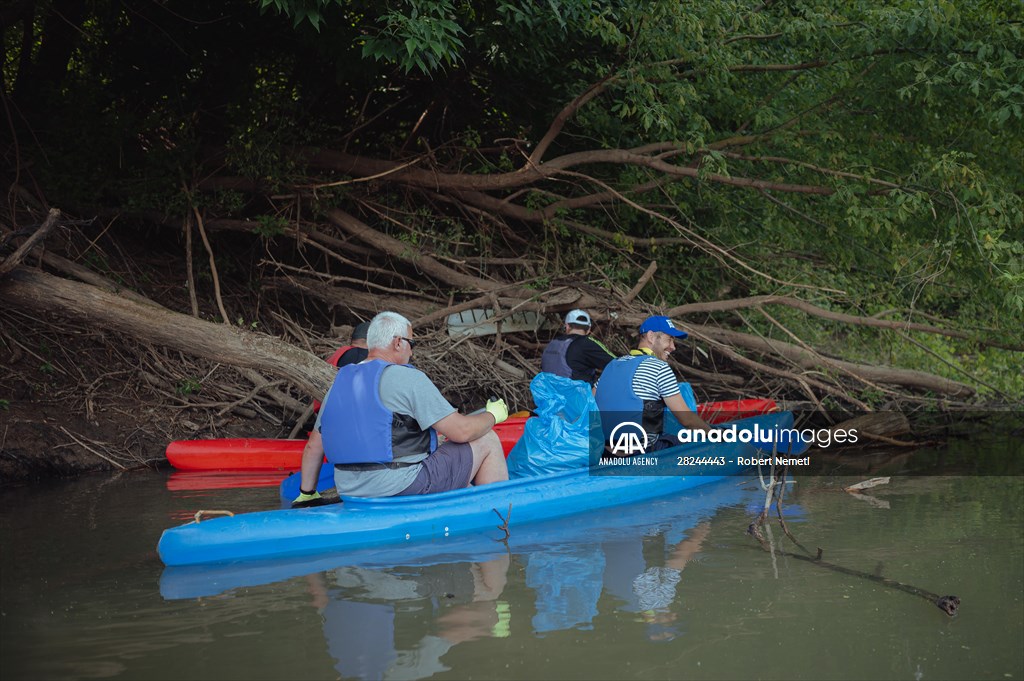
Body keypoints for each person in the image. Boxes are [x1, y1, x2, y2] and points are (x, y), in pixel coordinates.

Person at [295, 311, 509, 504]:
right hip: (398, 485)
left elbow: (314, 446)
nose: (412, 353)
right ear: (398, 342)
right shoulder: (407, 377)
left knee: (446, 460)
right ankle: (499, 512)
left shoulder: (339, 382)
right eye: (411, 344)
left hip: (349, 488)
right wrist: (493, 415)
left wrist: (307, 493)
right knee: (486, 438)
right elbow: (462, 431)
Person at [595, 315, 713, 452]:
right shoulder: (659, 368)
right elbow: (687, 420)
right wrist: (713, 434)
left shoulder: (613, 364)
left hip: (606, 450)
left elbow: (592, 400)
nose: (673, 347)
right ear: (651, 337)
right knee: (688, 445)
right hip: (640, 451)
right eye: (669, 339)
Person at [540, 309, 616, 385]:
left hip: (549, 394)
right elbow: (616, 363)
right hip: (577, 395)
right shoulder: (587, 343)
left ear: (567, 326)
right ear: (589, 329)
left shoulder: (552, 344)